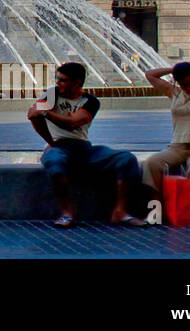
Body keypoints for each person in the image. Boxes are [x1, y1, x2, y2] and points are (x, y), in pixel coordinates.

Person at [28, 61, 145, 228]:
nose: (58, 83)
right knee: (55, 162)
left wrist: (46, 112)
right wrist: (51, 142)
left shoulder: (90, 101)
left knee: (126, 159)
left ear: (76, 83)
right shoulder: (52, 94)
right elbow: (33, 115)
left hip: (83, 148)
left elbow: (73, 123)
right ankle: (67, 212)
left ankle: (119, 211)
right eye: (57, 78)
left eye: (63, 80)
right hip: (59, 147)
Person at [143, 61, 190, 226]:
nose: (188, 87)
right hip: (177, 147)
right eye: (183, 84)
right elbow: (150, 74)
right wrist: (175, 69)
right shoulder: (174, 93)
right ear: (177, 82)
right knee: (151, 163)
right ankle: (156, 210)